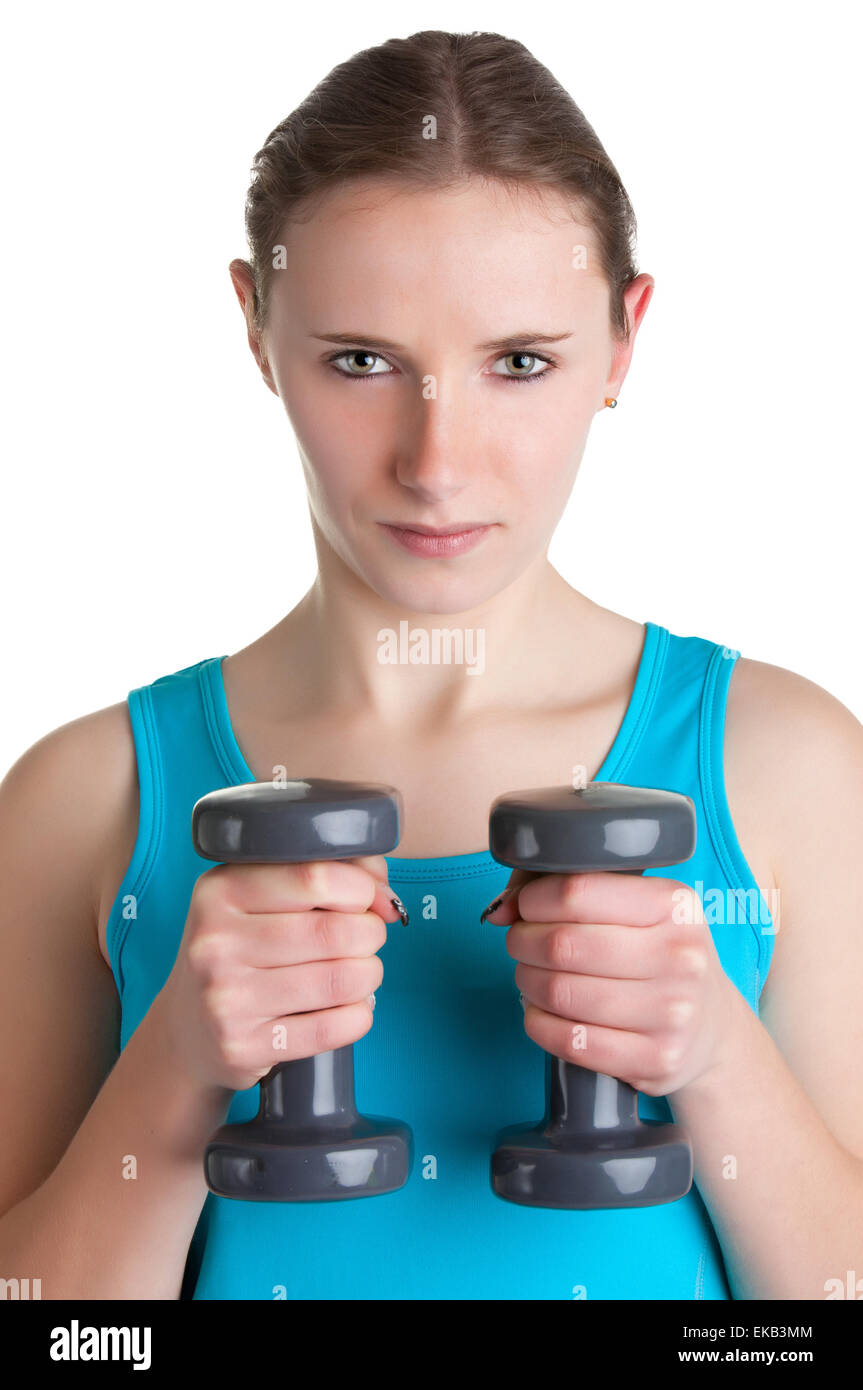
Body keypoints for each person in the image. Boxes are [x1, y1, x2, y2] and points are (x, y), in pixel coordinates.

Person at [1, 28, 861, 1303]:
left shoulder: (784, 764)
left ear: (623, 341)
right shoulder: (89, 799)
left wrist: (719, 1060)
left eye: (519, 361)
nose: (436, 461)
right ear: (254, 326)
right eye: (361, 361)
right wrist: (176, 1070)